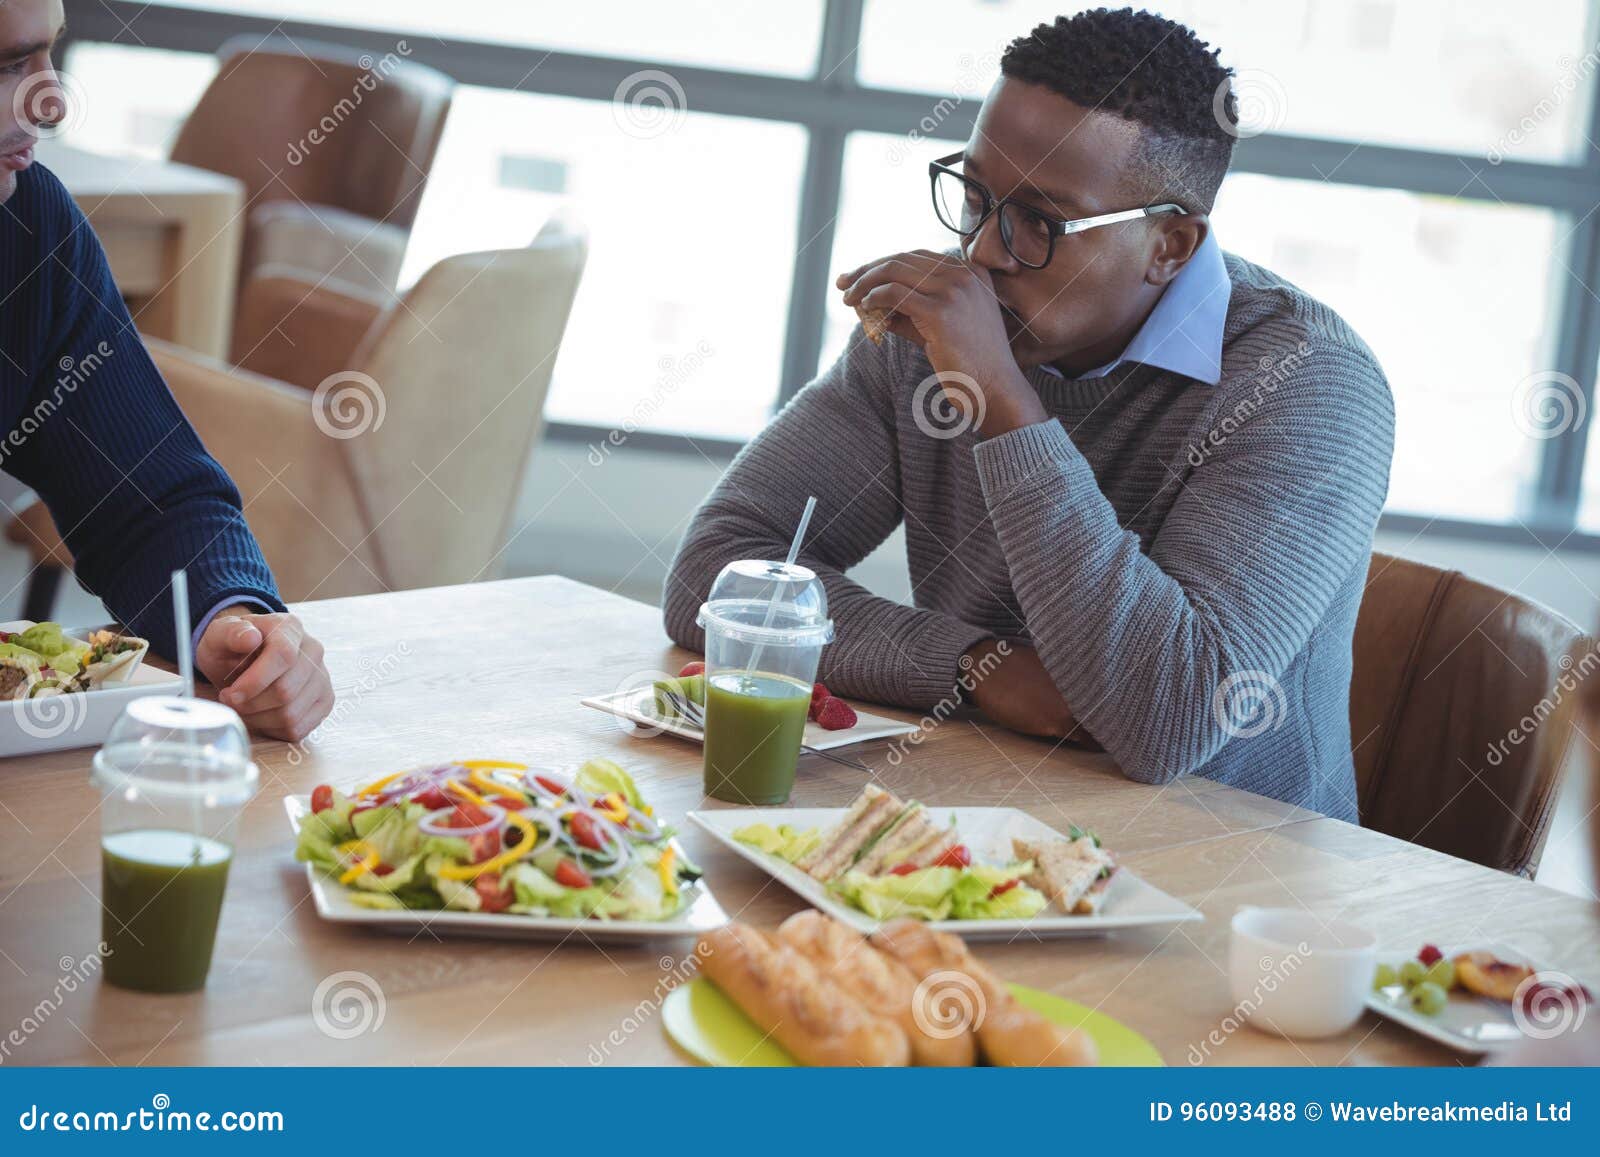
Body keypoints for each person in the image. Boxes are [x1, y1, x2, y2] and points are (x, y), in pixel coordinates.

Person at [665, 9, 1394, 820]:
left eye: (1041, 221)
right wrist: (980, 666)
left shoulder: (1308, 385)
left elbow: (1169, 718)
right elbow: (720, 572)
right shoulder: (937, 328)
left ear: (1171, 247)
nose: (982, 251)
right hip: (978, 819)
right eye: (976, 196)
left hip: (1227, 867)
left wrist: (1002, 402)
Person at [0, 0, 333, 740]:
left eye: (49, 54)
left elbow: (148, 499)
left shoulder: (28, 229)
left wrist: (236, 623)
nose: (52, 102)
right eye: (8, 65)